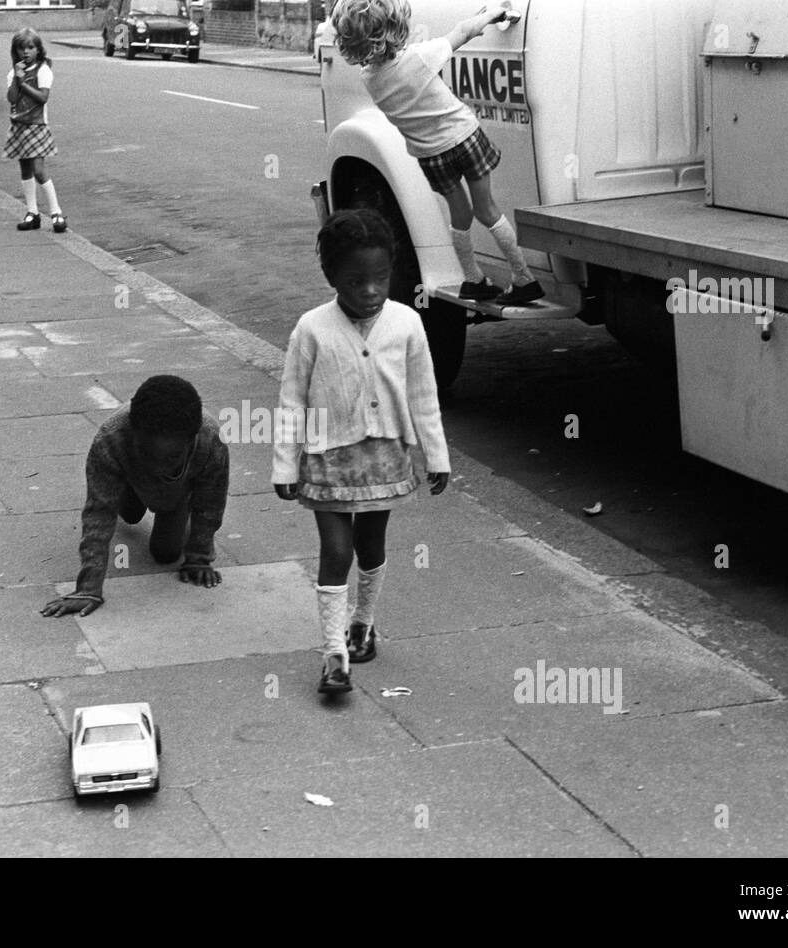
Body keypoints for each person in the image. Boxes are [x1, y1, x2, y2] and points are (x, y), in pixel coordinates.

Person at [273, 209, 450, 695]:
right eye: (356, 280)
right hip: (328, 461)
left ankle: (363, 624)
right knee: (336, 550)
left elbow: (423, 396)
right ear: (331, 276)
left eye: (381, 278)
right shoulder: (311, 329)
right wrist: (285, 463)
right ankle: (333, 655)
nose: (370, 289)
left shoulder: (407, 324)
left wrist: (436, 455)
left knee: (370, 547)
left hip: (385, 457)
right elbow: (291, 401)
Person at [332, 0, 543, 306]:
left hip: (433, 157)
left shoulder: (370, 79)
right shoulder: (420, 57)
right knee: (488, 210)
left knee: (460, 214)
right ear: (395, 27)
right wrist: (489, 15)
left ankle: (473, 280)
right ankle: (523, 277)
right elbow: (462, 32)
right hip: (465, 139)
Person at [41, 375, 229, 619]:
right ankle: (131, 490)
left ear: (192, 440)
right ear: (134, 433)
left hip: (178, 492)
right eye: (147, 453)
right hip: (130, 479)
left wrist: (200, 557)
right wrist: (88, 588)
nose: (158, 467)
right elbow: (99, 513)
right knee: (128, 514)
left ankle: (178, 510)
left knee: (166, 554)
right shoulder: (111, 438)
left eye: (171, 458)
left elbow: (211, 503)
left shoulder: (211, 439)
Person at [5, 27, 67, 233]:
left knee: (39, 170)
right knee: (25, 170)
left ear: (39, 50)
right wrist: (17, 78)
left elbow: (42, 98)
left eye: (31, 47)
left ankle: (56, 212)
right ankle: (32, 213)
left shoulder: (43, 70)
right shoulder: (14, 73)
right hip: (19, 126)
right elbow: (12, 98)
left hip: (37, 125)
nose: (26, 52)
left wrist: (23, 84)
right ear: (16, 51)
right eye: (21, 48)